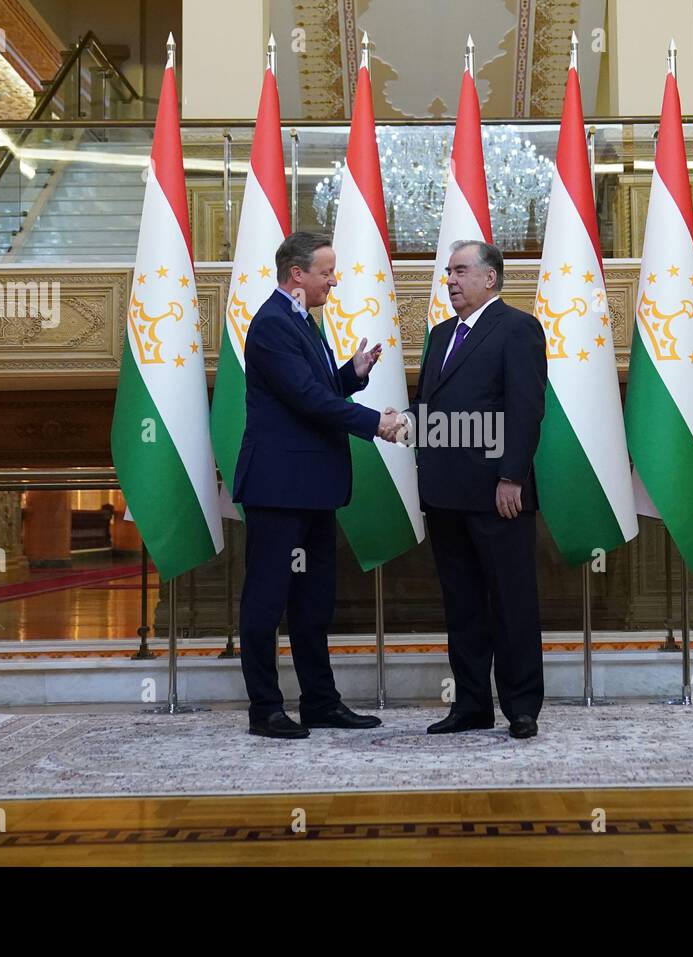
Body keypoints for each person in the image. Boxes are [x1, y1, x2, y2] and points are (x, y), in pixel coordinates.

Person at [231, 231, 405, 739]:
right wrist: (376, 423)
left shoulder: (302, 320)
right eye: (327, 271)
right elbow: (306, 399)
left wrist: (351, 374)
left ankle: (320, 703)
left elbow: (316, 390)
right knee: (267, 600)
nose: (334, 279)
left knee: (313, 602)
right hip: (279, 489)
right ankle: (265, 708)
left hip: (313, 488)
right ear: (297, 275)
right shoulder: (271, 325)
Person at [395, 240, 547, 739]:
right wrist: (399, 424)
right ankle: (471, 705)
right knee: (462, 606)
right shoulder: (439, 334)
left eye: (460, 271)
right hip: (444, 496)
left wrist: (512, 477)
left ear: (490, 279)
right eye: (448, 273)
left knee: (511, 602)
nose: (451, 281)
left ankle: (522, 707)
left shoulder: (518, 329)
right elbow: (435, 410)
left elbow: (526, 409)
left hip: (496, 494)